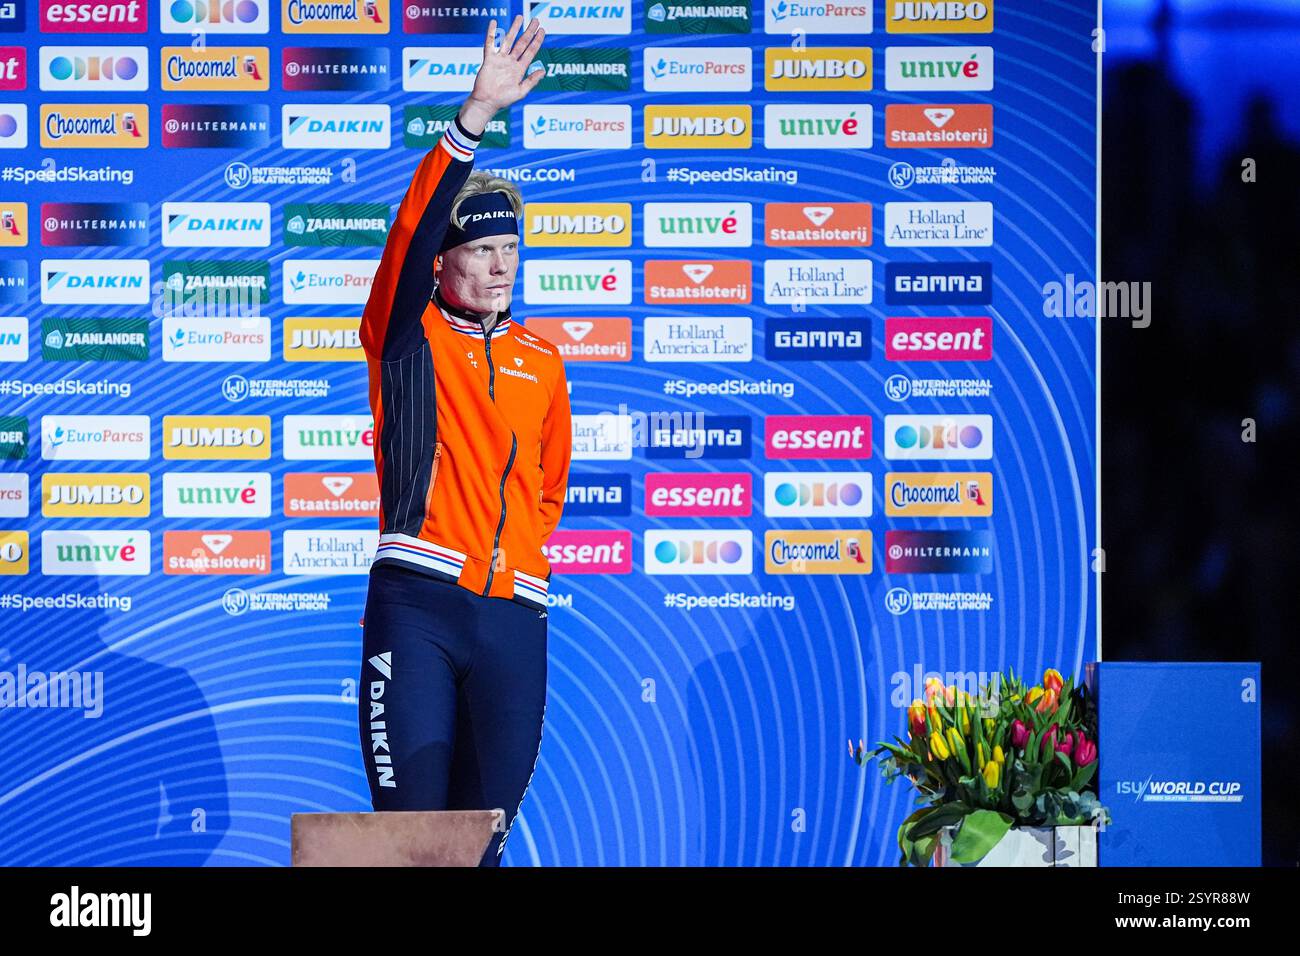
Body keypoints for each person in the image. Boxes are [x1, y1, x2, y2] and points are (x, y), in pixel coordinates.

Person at [355, 15, 570, 867]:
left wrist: (514, 555)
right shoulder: (405, 333)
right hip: (418, 603)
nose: (498, 266)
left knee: (477, 852)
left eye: (509, 250)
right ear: (444, 263)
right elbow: (406, 241)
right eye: (479, 249)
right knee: (412, 848)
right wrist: (470, 121)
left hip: (516, 618)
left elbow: (547, 491)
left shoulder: (543, 362)